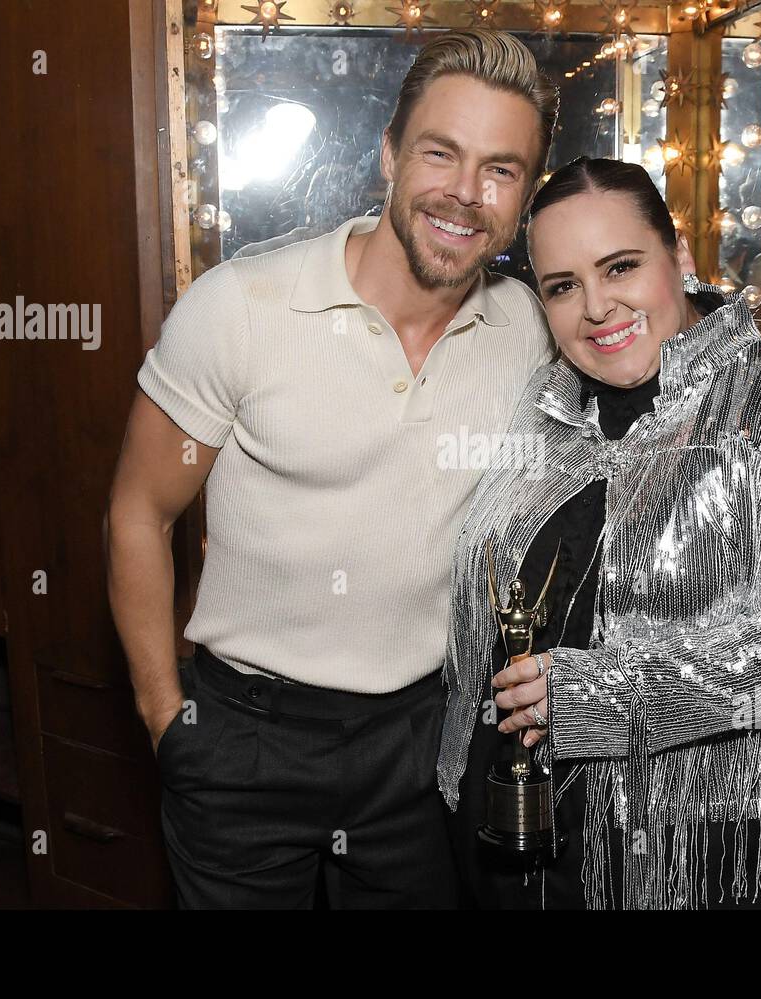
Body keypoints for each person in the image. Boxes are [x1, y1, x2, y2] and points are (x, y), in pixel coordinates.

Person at [104, 29, 558, 908]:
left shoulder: (530, 333)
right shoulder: (241, 306)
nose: (465, 195)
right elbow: (138, 512)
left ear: (526, 194)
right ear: (389, 154)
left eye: (501, 170)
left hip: (425, 744)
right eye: (441, 153)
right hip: (244, 735)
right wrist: (168, 720)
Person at [438, 157, 761, 909]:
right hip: (520, 837)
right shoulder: (548, 404)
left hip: (696, 850)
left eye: (620, 266)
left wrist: (597, 697)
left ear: (677, 256)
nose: (597, 306)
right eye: (563, 285)